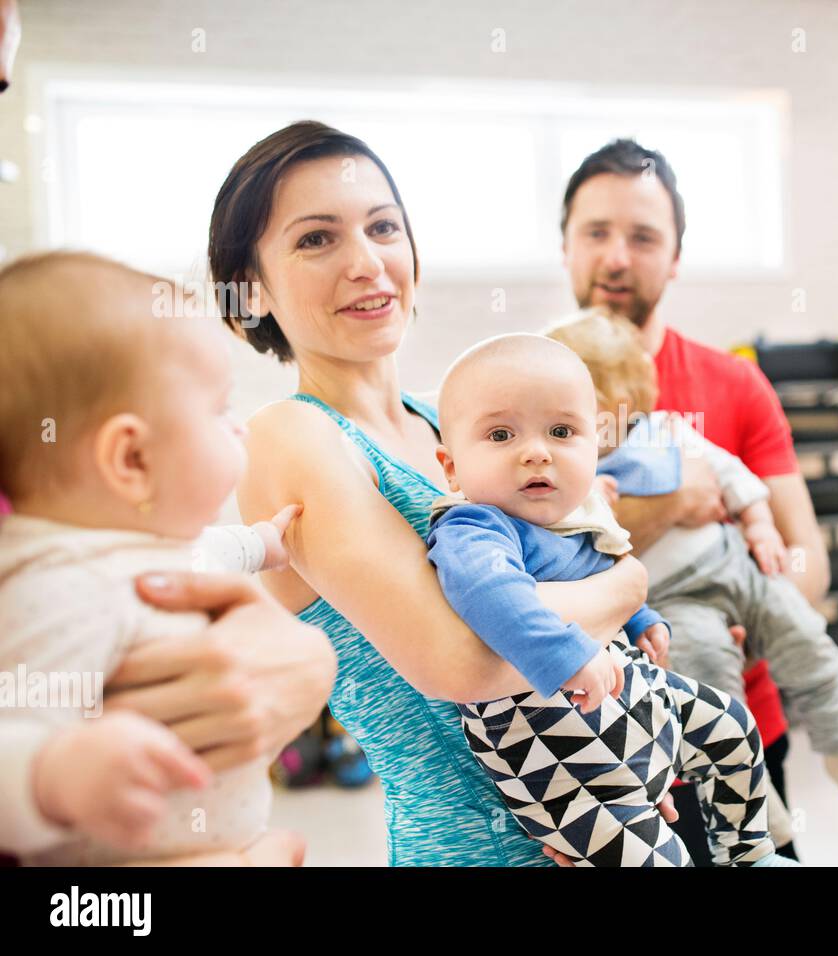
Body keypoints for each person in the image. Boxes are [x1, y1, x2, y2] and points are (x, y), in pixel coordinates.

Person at [212, 121, 657, 865]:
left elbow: (549, 589)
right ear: (251, 287)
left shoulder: (450, 422)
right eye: (316, 239)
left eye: (384, 227)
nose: (367, 263)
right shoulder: (290, 435)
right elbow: (459, 662)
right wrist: (630, 583)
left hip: (608, 818)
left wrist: (634, 764)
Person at [559, 138, 833, 861]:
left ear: (675, 255)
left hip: (739, 720)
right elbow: (515, 561)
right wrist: (671, 505)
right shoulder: (523, 390)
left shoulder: (737, 386)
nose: (617, 256)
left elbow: (808, 554)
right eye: (596, 233)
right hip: (597, 744)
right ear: (564, 246)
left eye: (643, 236)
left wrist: (751, 606)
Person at [425, 333, 788, 866]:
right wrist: (567, 653)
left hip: (633, 702)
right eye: (501, 434)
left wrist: (640, 616)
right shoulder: (476, 526)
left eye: (561, 431)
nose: (536, 451)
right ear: (452, 466)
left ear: (595, 446)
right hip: (554, 755)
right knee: (654, 855)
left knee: (731, 725)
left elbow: (602, 571)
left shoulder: (580, 517)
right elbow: (490, 596)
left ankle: (749, 853)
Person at [0, 251, 307, 864]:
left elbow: (212, 554)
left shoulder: (144, 549)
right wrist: (54, 773)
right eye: (219, 409)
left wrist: (264, 544)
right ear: (132, 461)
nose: (240, 428)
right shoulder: (62, 589)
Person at [547, 308, 838, 819]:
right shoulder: (574, 475)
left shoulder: (664, 432)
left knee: (809, 644)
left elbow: (730, 473)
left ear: (613, 404)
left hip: (739, 570)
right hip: (677, 602)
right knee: (713, 694)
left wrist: (760, 524)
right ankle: (758, 799)